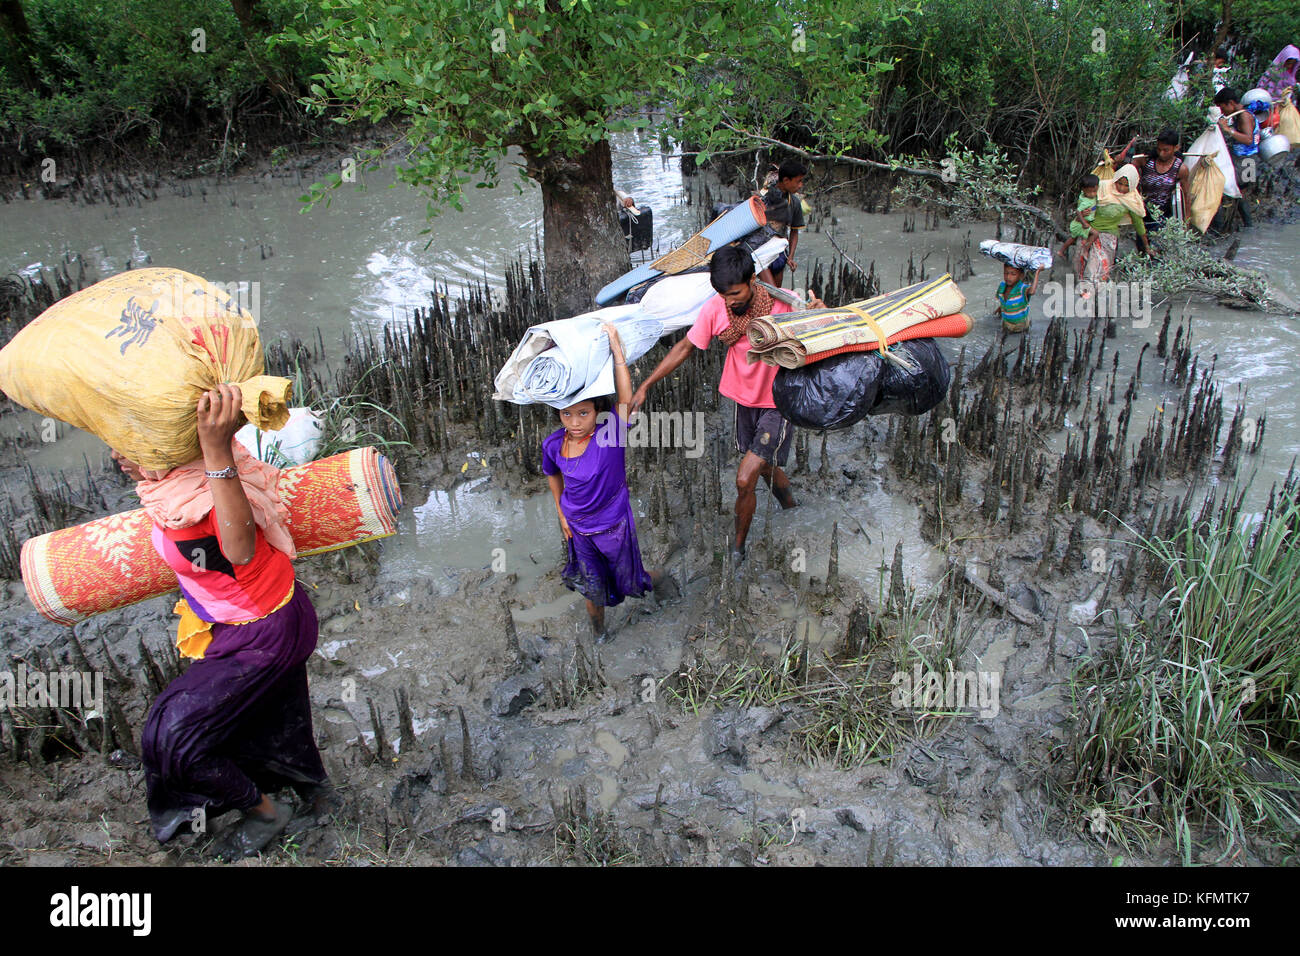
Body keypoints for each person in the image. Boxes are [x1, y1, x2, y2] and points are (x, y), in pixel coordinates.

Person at [111, 384, 331, 861]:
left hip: (266, 631)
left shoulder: (214, 482)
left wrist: (214, 448)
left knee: (172, 736)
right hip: (240, 622)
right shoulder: (169, 485)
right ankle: (317, 792)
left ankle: (266, 812)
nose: (116, 454)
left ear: (170, 444)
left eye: (129, 442)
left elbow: (240, 549)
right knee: (277, 715)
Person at [631, 246, 825, 566]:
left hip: (778, 402)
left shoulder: (785, 303)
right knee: (764, 467)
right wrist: (646, 384)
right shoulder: (715, 309)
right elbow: (684, 347)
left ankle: (738, 549)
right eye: (723, 294)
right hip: (744, 402)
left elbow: (822, 333)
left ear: (751, 280)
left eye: (735, 292)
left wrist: (818, 312)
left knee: (744, 478)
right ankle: (791, 506)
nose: (730, 300)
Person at [543, 325, 676, 645]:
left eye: (583, 413)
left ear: (599, 412)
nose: (574, 423)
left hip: (614, 525)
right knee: (592, 586)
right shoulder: (552, 444)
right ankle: (599, 635)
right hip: (579, 529)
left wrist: (617, 351)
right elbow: (552, 474)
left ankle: (661, 582)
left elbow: (626, 397)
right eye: (566, 414)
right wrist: (561, 513)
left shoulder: (610, 433)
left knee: (632, 579)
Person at [1075, 163, 1154, 300]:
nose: (1122, 188)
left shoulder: (1132, 200)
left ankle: (1092, 294)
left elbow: (1139, 226)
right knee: (1080, 260)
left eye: (1126, 186)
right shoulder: (1103, 187)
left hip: (1108, 233)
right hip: (1089, 228)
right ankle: (1083, 290)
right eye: (1119, 183)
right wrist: (1085, 212)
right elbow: (1086, 199)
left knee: (1097, 263)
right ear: (1115, 179)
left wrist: (1147, 246)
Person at [1214, 87, 1260, 227]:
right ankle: (1247, 225)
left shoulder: (1244, 116)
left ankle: (1245, 225)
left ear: (1231, 103)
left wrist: (1228, 130)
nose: (1222, 112)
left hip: (1247, 161)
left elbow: (1248, 139)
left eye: (1223, 108)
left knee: (1239, 192)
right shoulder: (1239, 113)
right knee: (1240, 193)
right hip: (1244, 160)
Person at [757, 159, 807, 288]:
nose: (801, 185)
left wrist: (790, 257)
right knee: (770, 291)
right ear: (786, 181)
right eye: (798, 181)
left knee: (776, 291)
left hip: (779, 253)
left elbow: (794, 231)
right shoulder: (761, 198)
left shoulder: (794, 203)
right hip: (760, 252)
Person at [1137, 130, 1192, 230]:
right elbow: (1129, 171)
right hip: (1143, 213)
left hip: (1165, 217)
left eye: (1166, 150)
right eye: (1159, 149)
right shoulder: (1146, 161)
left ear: (1176, 148)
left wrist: (1186, 220)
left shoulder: (1180, 169)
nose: (1161, 153)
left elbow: (1186, 196)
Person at [1058, 174, 1100, 267]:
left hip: (1078, 223)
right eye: (1090, 192)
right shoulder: (1086, 201)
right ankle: (1085, 250)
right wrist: (1084, 223)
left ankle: (1061, 251)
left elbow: (1092, 207)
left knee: (1073, 238)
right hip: (1080, 224)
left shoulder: (1085, 196)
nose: (1093, 194)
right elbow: (1078, 211)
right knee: (1095, 234)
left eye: (1095, 191)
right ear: (1083, 190)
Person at [994, 263, 1040, 333]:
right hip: (1006, 323)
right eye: (1006, 273)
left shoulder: (1022, 288)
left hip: (1020, 326)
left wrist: (1037, 272)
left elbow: (1032, 291)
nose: (1008, 277)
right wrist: (999, 309)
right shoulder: (1002, 286)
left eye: (1013, 274)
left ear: (1021, 276)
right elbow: (1003, 300)